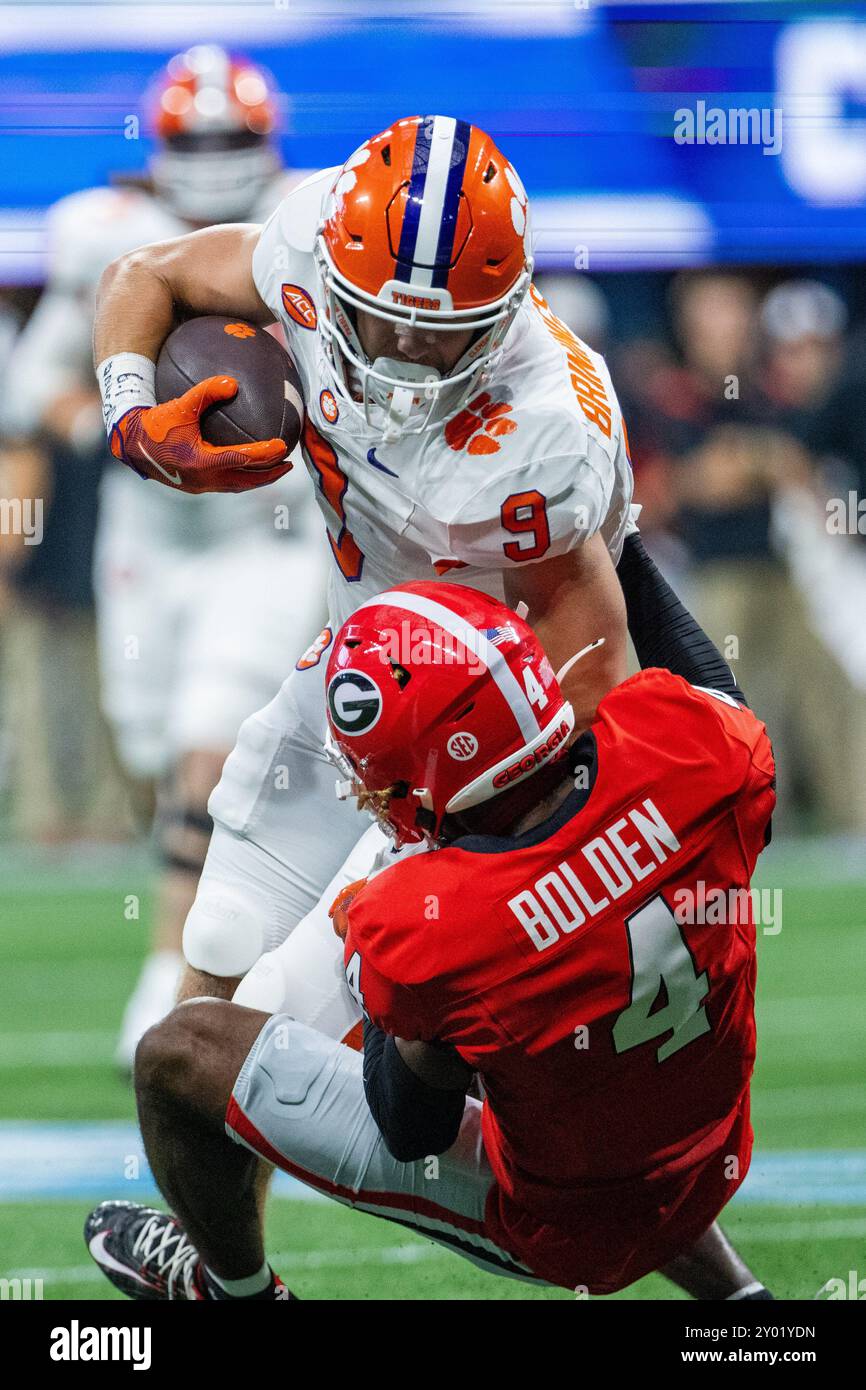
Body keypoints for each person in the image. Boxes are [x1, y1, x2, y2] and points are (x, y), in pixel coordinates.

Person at [84, 522, 776, 1300]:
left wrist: (376, 949)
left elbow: (411, 1125)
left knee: (176, 1055)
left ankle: (234, 1292)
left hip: (564, 1225)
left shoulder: (435, 922)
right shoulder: (693, 754)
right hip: (712, 1141)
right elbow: (711, 687)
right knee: (583, 1070)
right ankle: (742, 1300)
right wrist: (614, 530)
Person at [90, 114, 633, 1053]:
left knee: (319, 1017)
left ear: (503, 316)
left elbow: (593, 658)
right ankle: (193, 1206)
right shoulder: (307, 237)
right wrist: (135, 418)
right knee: (215, 948)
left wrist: (458, 804)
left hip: (477, 734)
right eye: (377, 316)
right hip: (353, 666)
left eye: (437, 335)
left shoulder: (544, 429)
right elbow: (144, 276)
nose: (397, 354)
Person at [0, 46, 327, 1066]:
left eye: (234, 139)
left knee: (211, 737)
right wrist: (131, 423)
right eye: (200, 140)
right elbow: (35, 391)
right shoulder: (109, 234)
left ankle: (175, 966)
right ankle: (228, 923)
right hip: (152, 536)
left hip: (271, 535)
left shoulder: (311, 224)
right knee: (154, 753)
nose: (219, 159)